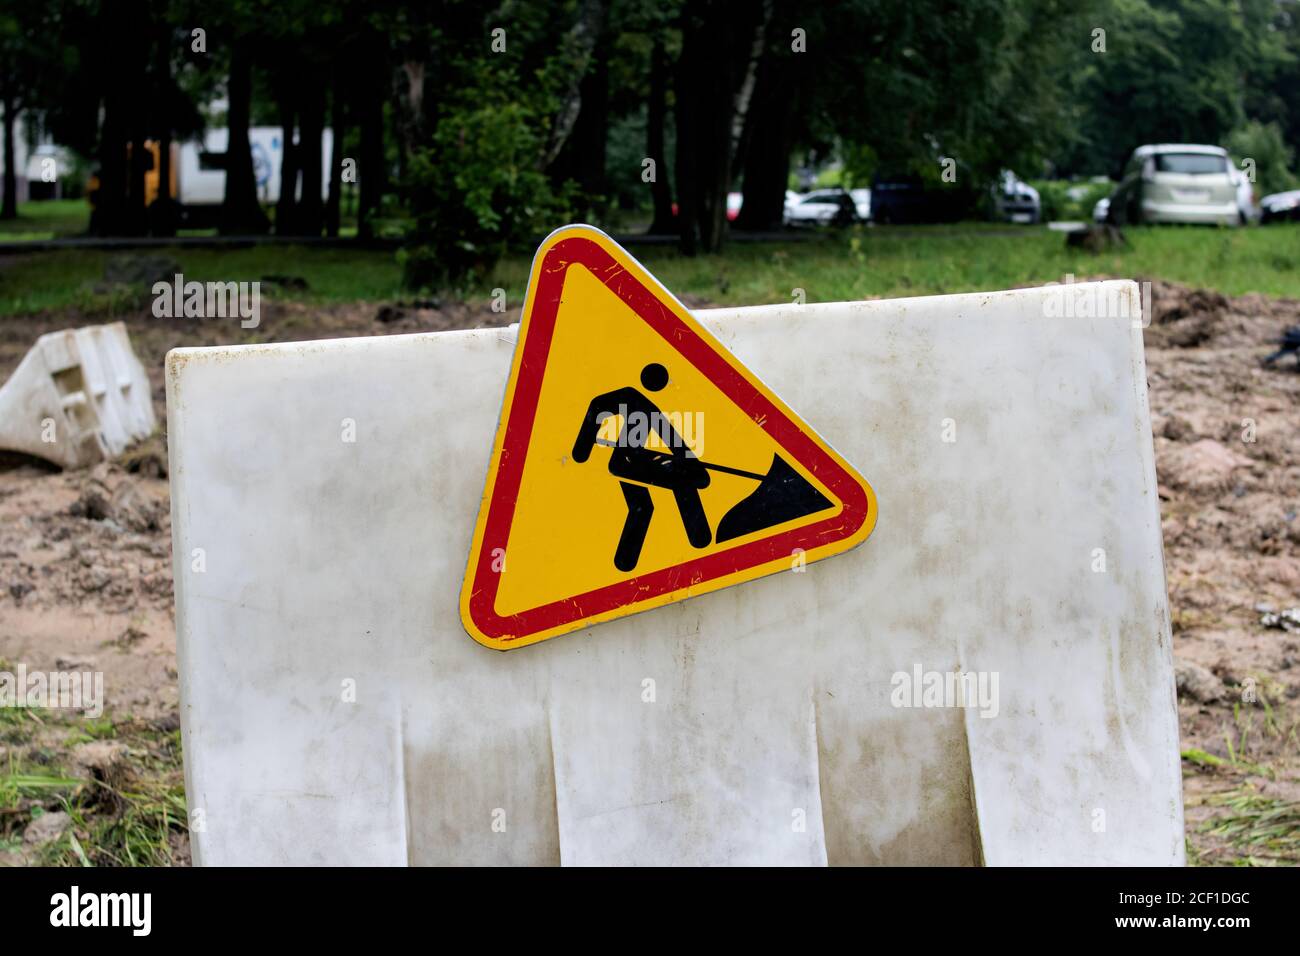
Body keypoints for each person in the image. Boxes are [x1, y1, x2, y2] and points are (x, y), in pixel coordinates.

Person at [572, 363, 711, 571]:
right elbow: (597, 408)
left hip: (630, 460)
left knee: (652, 501)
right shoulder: (630, 400)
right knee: (645, 505)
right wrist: (583, 447)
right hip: (622, 463)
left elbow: (669, 435)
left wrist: (691, 465)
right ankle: (627, 563)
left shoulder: (645, 408)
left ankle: (699, 539)